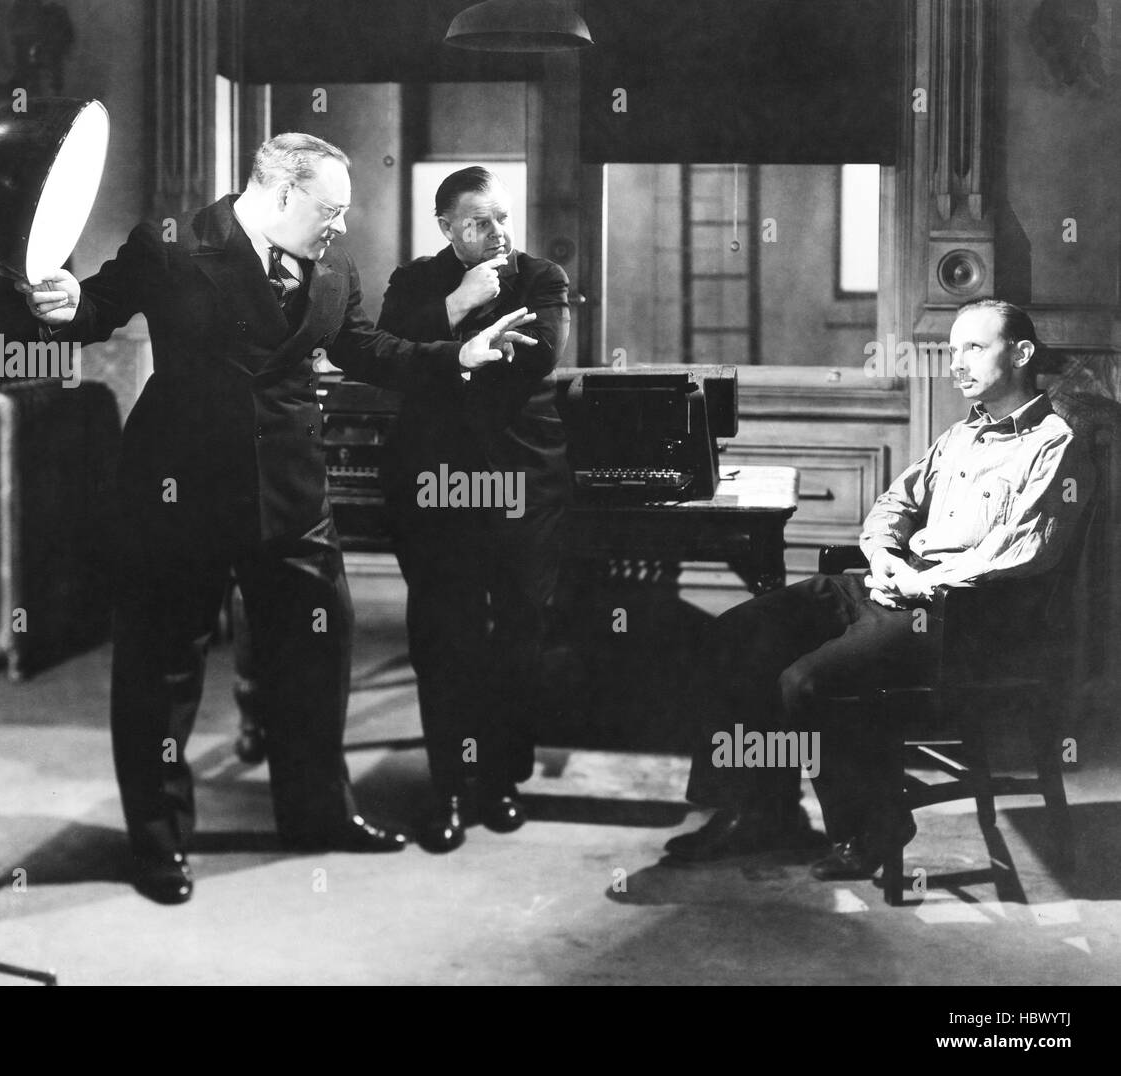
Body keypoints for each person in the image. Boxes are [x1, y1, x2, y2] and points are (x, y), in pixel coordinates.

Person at [16, 134, 538, 903]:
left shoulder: (333, 267)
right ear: (283, 192)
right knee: (162, 672)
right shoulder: (173, 246)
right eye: (331, 210)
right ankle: (158, 842)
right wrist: (62, 306)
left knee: (317, 654)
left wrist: (457, 356)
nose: (340, 227)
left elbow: (366, 348)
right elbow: (96, 308)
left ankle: (318, 814)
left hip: (291, 492)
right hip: (178, 489)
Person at [664, 299, 1095, 879]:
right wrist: (886, 556)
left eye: (973, 348)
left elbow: (1020, 554)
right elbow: (896, 503)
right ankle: (759, 811)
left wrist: (920, 580)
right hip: (891, 586)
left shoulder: (1053, 445)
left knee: (807, 682)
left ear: (1019, 354)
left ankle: (874, 823)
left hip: (958, 616)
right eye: (952, 349)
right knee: (734, 636)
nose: (956, 364)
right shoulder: (961, 435)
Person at [374, 166, 571, 852]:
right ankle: (449, 790)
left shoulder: (542, 277)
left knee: (518, 632)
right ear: (446, 228)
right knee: (444, 637)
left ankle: (501, 780)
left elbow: (539, 354)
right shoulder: (415, 282)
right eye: (478, 222)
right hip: (435, 484)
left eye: (503, 218)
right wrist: (461, 307)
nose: (497, 234)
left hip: (522, 484)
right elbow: (388, 355)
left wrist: (444, 357)